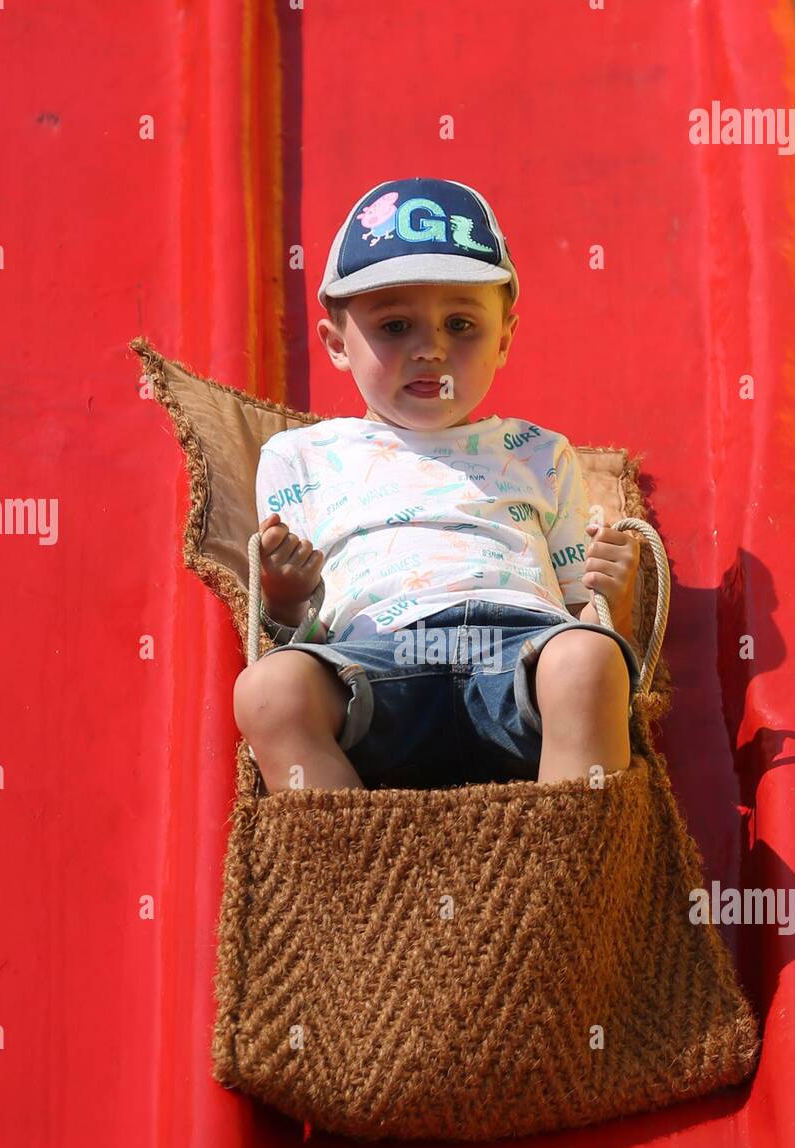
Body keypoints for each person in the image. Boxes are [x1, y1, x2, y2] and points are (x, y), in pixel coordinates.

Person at [233, 176, 642, 792]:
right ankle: (343, 876)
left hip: (516, 655)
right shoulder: (301, 457)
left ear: (503, 339)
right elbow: (304, 632)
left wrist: (616, 594)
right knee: (269, 689)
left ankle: (574, 869)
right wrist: (286, 594)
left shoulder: (539, 453)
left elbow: (586, 615)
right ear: (337, 344)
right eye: (396, 327)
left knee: (588, 661)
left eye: (461, 324)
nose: (431, 349)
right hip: (374, 667)